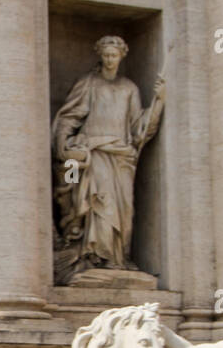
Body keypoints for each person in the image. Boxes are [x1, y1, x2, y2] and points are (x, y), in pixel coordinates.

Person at [52, 35, 163, 282]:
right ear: (100, 56)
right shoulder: (88, 83)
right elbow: (69, 116)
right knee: (99, 206)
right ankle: (93, 256)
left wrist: (159, 101)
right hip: (93, 153)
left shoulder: (129, 88)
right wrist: (63, 145)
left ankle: (117, 258)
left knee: (124, 210)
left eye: (114, 55)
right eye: (106, 55)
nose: (110, 60)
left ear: (122, 57)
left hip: (121, 156)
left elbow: (139, 129)